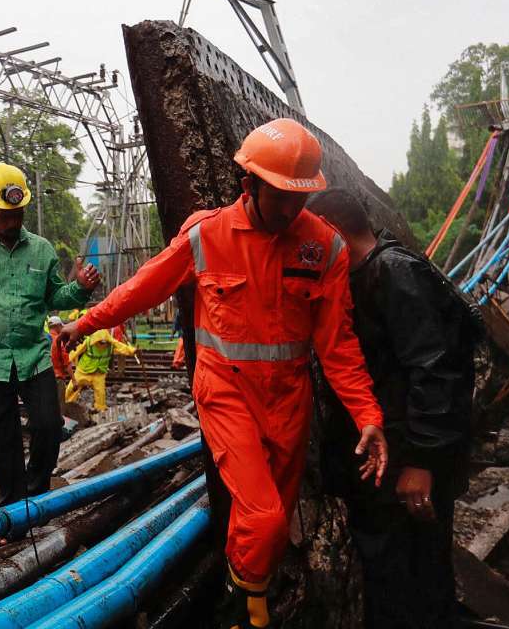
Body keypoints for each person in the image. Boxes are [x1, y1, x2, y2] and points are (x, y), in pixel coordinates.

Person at [56, 118, 388, 629]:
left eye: (298, 197)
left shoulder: (324, 247)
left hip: (288, 400)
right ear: (247, 184)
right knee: (265, 516)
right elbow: (142, 289)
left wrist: (367, 414)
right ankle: (247, 612)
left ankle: (241, 595)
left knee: (266, 526)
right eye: (278, 195)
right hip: (225, 390)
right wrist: (84, 324)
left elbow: (338, 345)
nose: (289, 208)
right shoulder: (206, 235)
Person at [308, 188, 477, 629]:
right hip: (392, 455)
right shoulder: (369, 273)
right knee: (401, 569)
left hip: (407, 458)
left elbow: (437, 370)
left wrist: (421, 461)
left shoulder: (395, 274)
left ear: (331, 232)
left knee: (408, 571)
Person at [0, 162, 101, 510]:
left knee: (47, 427)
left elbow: (55, 298)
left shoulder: (42, 250)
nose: (13, 221)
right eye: (5, 215)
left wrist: (80, 289)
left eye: (18, 214)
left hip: (33, 356)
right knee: (3, 439)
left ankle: (35, 492)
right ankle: (14, 506)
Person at [65, 327, 138, 412]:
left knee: (100, 393)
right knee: (72, 388)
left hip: (99, 373)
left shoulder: (111, 344)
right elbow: (76, 351)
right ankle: (66, 404)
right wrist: (65, 362)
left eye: (104, 342)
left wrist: (133, 351)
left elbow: (122, 347)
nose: (103, 344)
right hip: (83, 371)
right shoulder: (88, 342)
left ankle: (100, 410)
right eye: (100, 342)